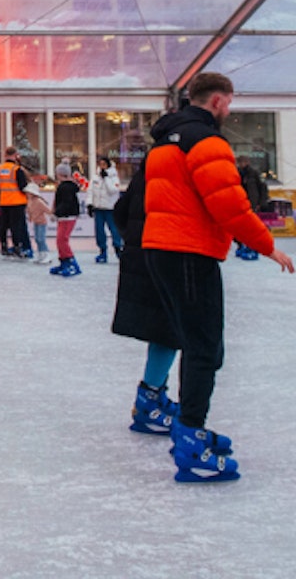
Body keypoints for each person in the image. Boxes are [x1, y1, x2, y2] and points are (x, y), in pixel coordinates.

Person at [143, 72, 293, 483]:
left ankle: (188, 427)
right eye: (230, 101)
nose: (231, 108)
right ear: (217, 102)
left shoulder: (165, 140)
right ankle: (191, 439)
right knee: (204, 347)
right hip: (188, 251)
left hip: (163, 248)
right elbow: (230, 204)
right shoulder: (206, 141)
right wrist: (268, 245)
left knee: (196, 342)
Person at [112, 163, 182, 437]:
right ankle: (149, 402)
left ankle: (154, 394)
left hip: (142, 252)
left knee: (163, 329)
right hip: (167, 252)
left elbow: (122, 210)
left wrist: (133, 239)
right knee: (169, 329)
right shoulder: (177, 162)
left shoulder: (151, 164)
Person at [0, 146, 32, 259]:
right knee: (16, 226)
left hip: (4, 200)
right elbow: (22, 186)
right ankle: (17, 246)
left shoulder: (0, 169)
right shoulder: (16, 169)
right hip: (17, 201)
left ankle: (4, 245)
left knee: (4, 225)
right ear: (15, 155)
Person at [234, 155, 270, 260]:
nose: (242, 164)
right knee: (239, 227)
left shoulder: (254, 173)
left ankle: (253, 247)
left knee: (252, 226)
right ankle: (241, 245)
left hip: (252, 204)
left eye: (244, 162)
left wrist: (262, 203)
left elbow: (263, 188)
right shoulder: (235, 173)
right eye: (240, 162)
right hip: (239, 203)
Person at [49, 163, 81, 276]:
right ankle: (64, 261)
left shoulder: (66, 187)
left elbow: (65, 203)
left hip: (67, 216)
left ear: (59, 174)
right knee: (60, 240)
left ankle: (72, 263)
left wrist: (57, 213)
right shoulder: (64, 186)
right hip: (65, 216)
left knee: (62, 239)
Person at [89, 156, 122, 263]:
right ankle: (102, 250)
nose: (102, 166)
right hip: (99, 207)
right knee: (99, 230)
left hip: (110, 208)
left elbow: (113, 190)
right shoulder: (95, 177)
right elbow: (90, 191)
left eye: (104, 164)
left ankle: (118, 248)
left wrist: (107, 178)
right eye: (100, 164)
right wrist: (90, 203)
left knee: (114, 229)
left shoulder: (114, 177)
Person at [24, 183, 52, 265]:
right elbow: (29, 211)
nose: (27, 194)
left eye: (28, 192)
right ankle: (41, 254)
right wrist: (30, 217)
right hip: (36, 222)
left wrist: (52, 215)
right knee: (37, 239)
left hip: (41, 222)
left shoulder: (39, 202)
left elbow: (47, 210)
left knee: (41, 239)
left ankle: (46, 255)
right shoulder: (30, 201)